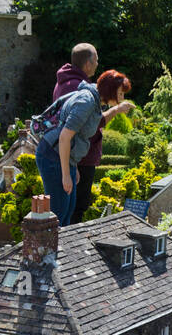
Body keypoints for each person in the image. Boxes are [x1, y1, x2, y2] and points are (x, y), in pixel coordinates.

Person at [36, 69, 131, 227]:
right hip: (52, 156)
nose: (122, 98)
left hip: (65, 158)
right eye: (120, 94)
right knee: (58, 215)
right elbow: (65, 137)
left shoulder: (95, 101)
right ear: (110, 91)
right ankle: (52, 250)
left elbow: (78, 135)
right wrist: (66, 174)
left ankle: (63, 250)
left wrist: (73, 166)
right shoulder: (86, 102)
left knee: (69, 212)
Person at [53, 43, 134, 226]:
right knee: (72, 211)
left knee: (73, 209)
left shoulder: (70, 83)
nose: (98, 64)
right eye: (96, 60)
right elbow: (70, 132)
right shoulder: (79, 90)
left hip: (78, 157)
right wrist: (71, 168)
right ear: (88, 63)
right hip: (79, 158)